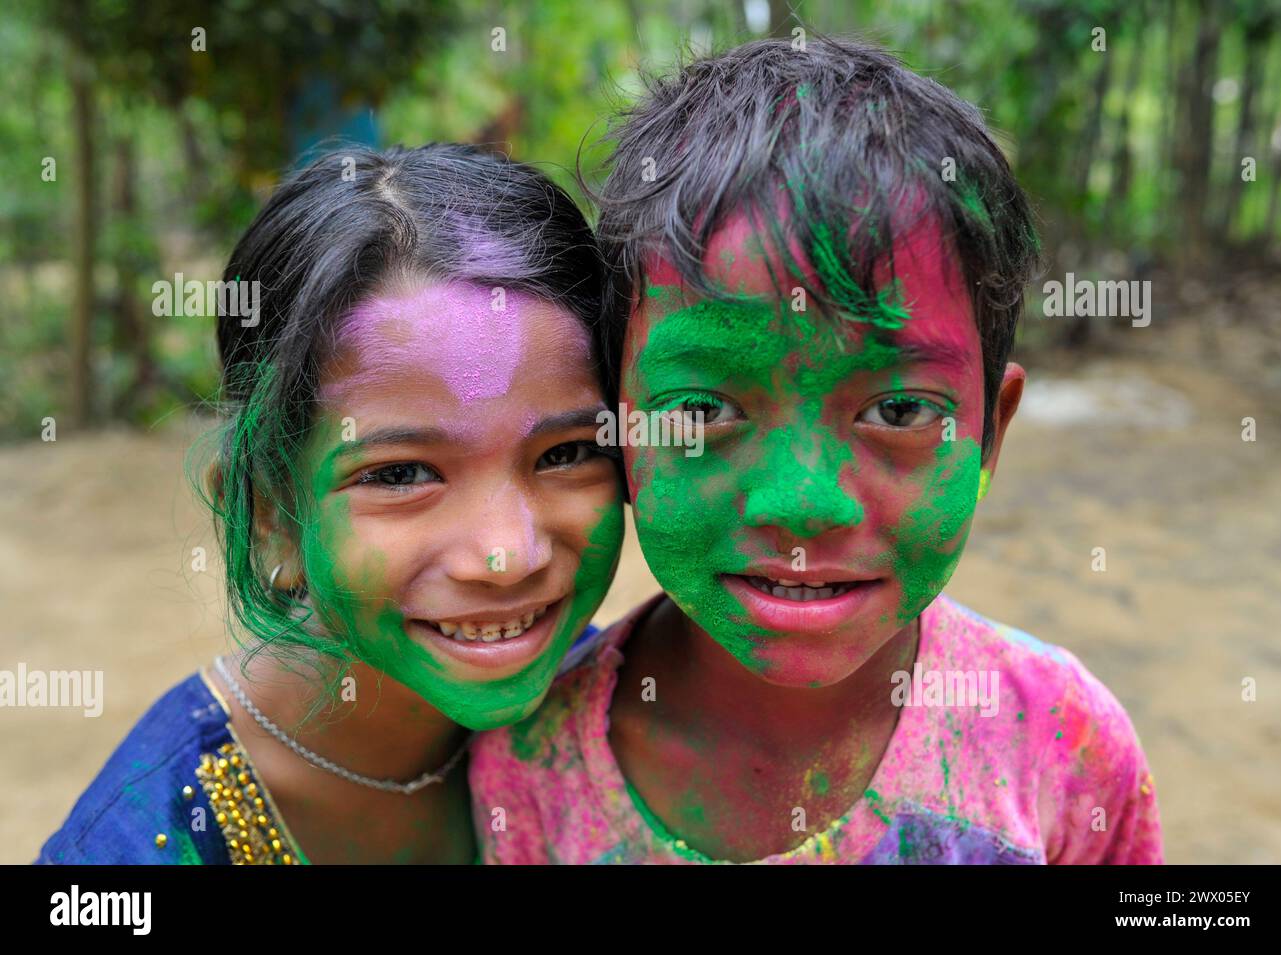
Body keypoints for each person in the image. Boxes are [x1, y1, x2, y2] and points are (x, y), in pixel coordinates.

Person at [469, 38, 1163, 864]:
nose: (803, 503)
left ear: (990, 432)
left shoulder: (1067, 741)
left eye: (900, 407)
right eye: (701, 408)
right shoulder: (526, 762)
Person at [37, 143, 624, 864]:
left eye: (564, 454)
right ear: (271, 517)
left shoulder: (624, 715)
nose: (507, 555)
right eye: (403, 473)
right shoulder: (127, 855)